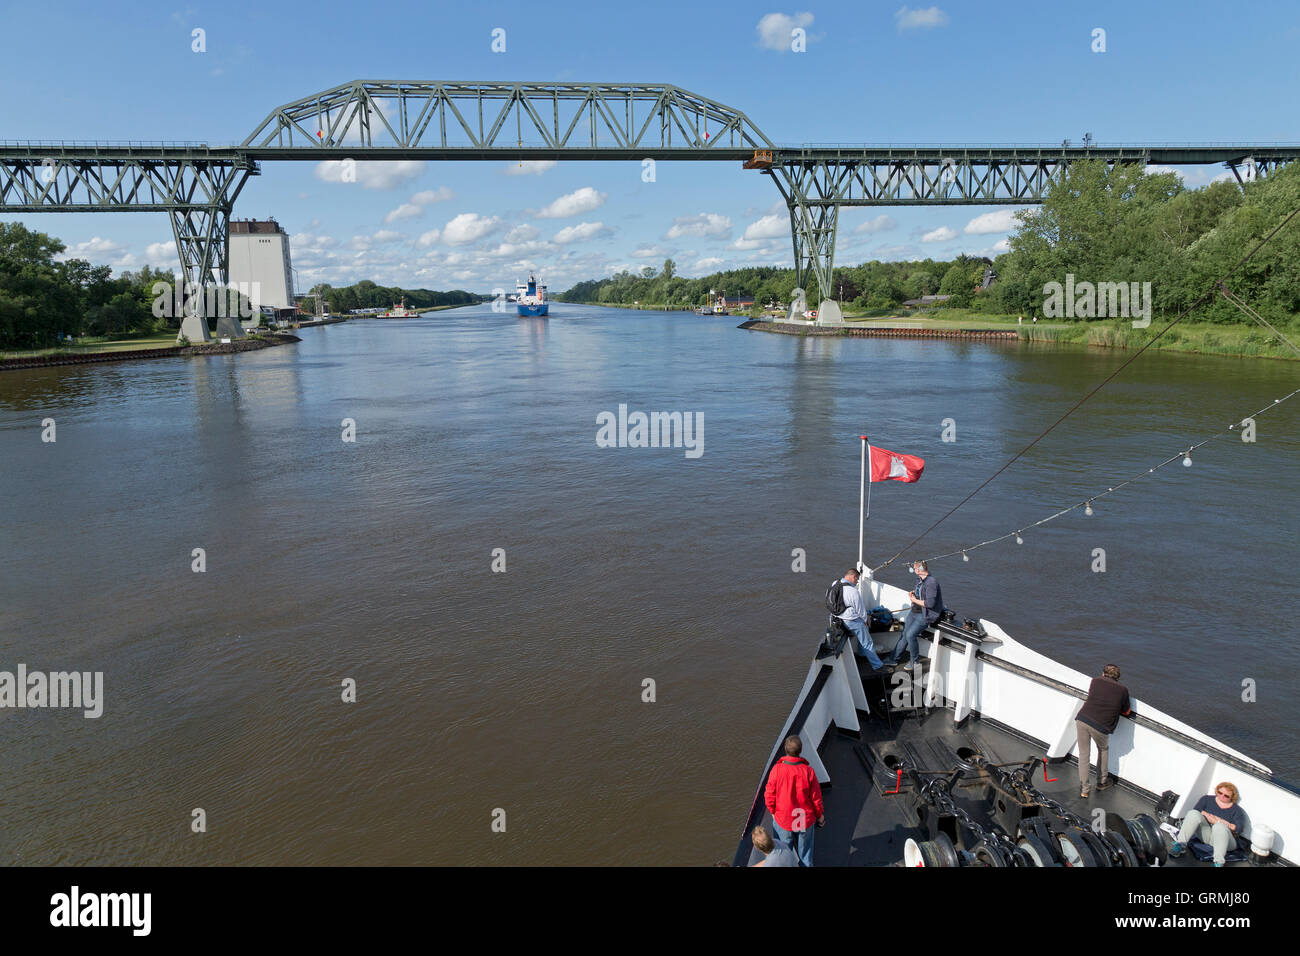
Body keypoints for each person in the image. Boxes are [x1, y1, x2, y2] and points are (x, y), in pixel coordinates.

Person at [763, 735, 825, 867]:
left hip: (784, 818)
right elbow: (816, 798)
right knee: (806, 853)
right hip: (802, 817)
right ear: (800, 750)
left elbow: (769, 795)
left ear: (785, 749)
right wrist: (820, 816)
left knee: (784, 853)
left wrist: (773, 811)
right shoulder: (808, 771)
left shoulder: (777, 770)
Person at [1076, 664, 1132, 798]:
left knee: (1084, 755)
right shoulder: (1123, 690)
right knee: (1103, 750)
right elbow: (1127, 711)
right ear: (1117, 678)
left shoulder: (1095, 681)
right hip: (1101, 726)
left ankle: (1084, 789)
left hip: (1082, 719)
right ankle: (1101, 782)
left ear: (1103, 673)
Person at [1170, 783, 1246, 867]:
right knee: (1193, 813)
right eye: (1220, 793)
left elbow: (1238, 828)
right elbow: (1197, 811)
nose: (1222, 796)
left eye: (1226, 796)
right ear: (1217, 791)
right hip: (1208, 835)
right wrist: (1215, 819)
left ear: (1232, 797)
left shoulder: (1237, 810)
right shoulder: (1206, 799)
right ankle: (1180, 845)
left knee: (1219, 826)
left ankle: (1218, 862)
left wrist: (1218, 821)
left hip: (1226, 841)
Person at [886, 561, 942, 670]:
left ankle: (915, 663)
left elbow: (930, 604)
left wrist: (913, 600)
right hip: (914, 612)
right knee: (905, 634)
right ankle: (894, 659)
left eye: (914, 569)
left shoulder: (931, 582)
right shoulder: (919, 580)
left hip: (925, 614)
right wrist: (913, 594)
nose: (913, 571)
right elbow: (920, 593)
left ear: (918, 570)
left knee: (910, 635)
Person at [835, 568, 886, 670]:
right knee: (867, 642)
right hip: (851, 621)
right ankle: (877, 665)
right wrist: (866, 621)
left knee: (863, 632)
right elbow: (861, 612)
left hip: (836, 618)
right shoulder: (853, 591)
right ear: (853, 577)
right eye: (857, 579)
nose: (857, 581)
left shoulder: (835, 583)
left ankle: (862, 653)